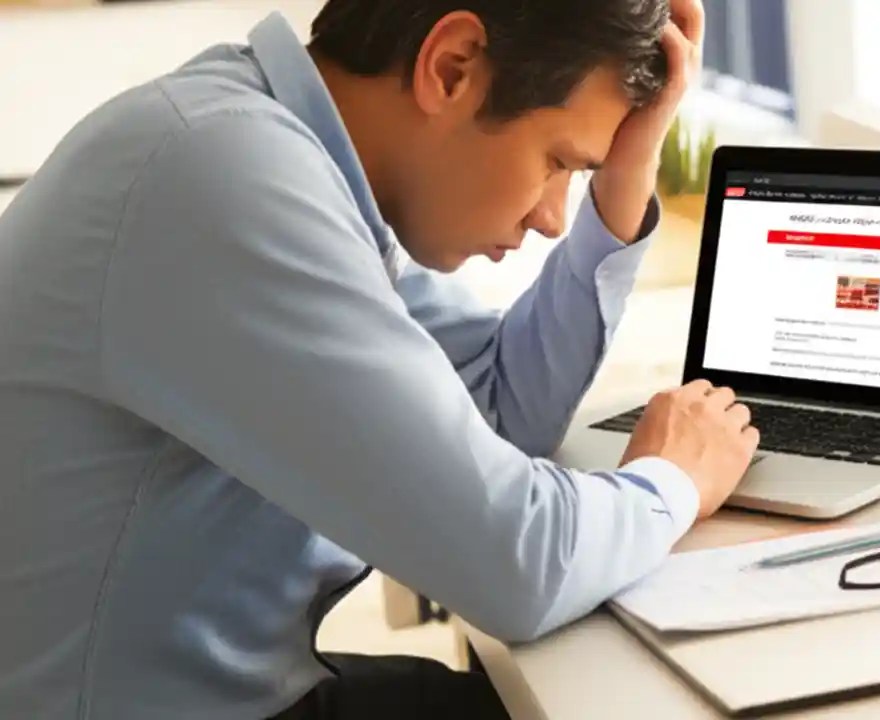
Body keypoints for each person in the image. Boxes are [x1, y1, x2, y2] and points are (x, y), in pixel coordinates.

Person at [0, 0, 761, 718]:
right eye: (558, 161)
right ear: (453, 67)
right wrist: (675, 479)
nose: (550, 215)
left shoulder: (299, 162)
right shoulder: (221, 174)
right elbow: (514, 565)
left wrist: (624, 175)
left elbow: (500, 407)